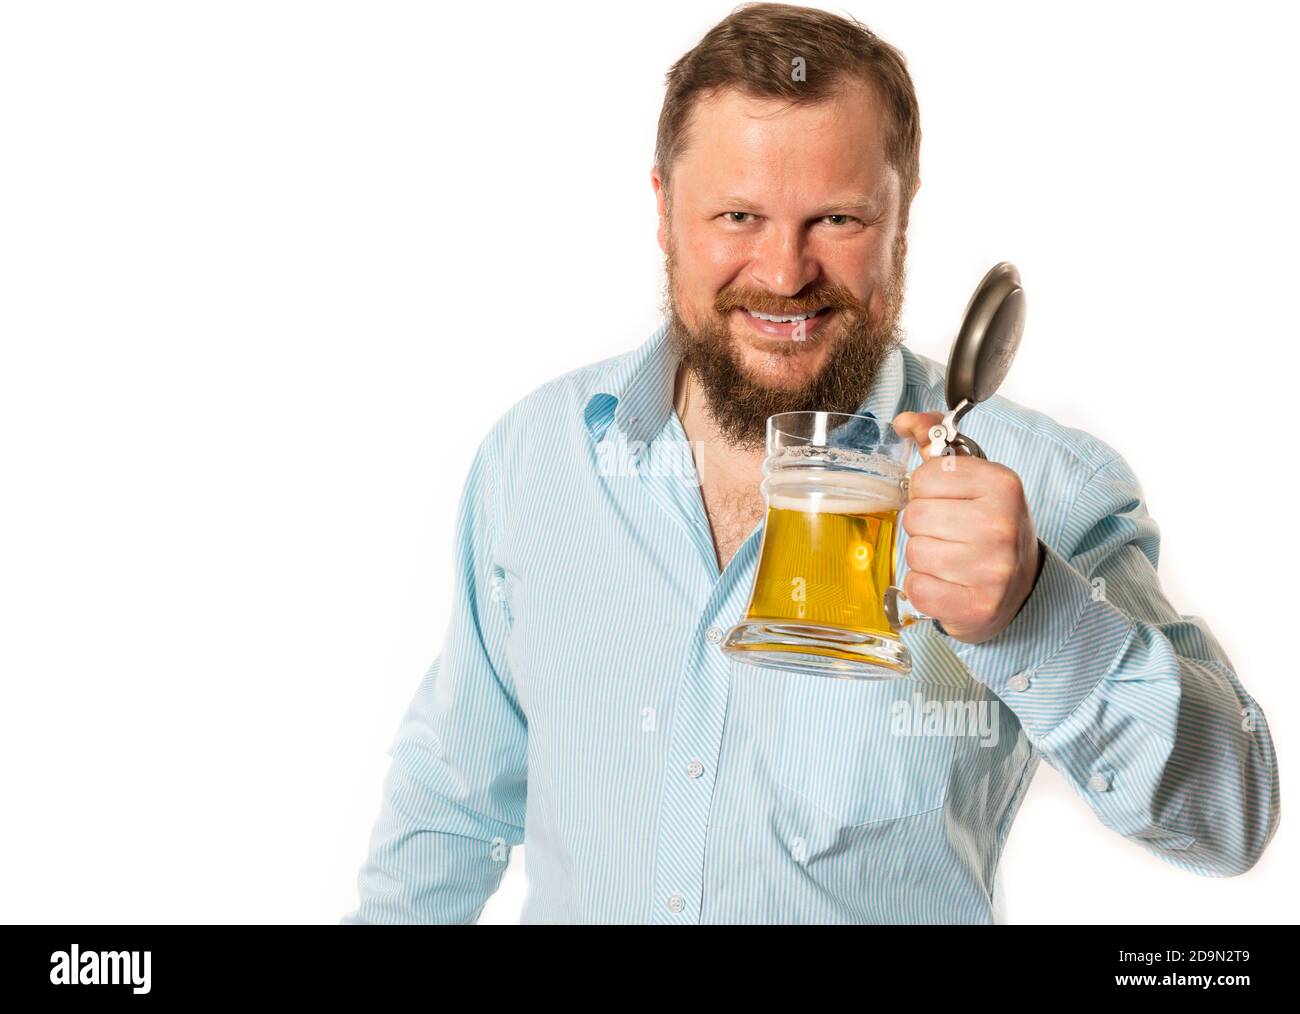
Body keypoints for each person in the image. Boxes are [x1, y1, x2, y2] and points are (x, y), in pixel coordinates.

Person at [340, 2, 1279, 924]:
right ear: (664, 212)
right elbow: (455, 799)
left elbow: (1231, 812)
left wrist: (1037, 610)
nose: (784, 274)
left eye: (835, 218)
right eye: (738, 214)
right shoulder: (537, 458)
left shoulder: (1033, 487)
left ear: (901, 219)